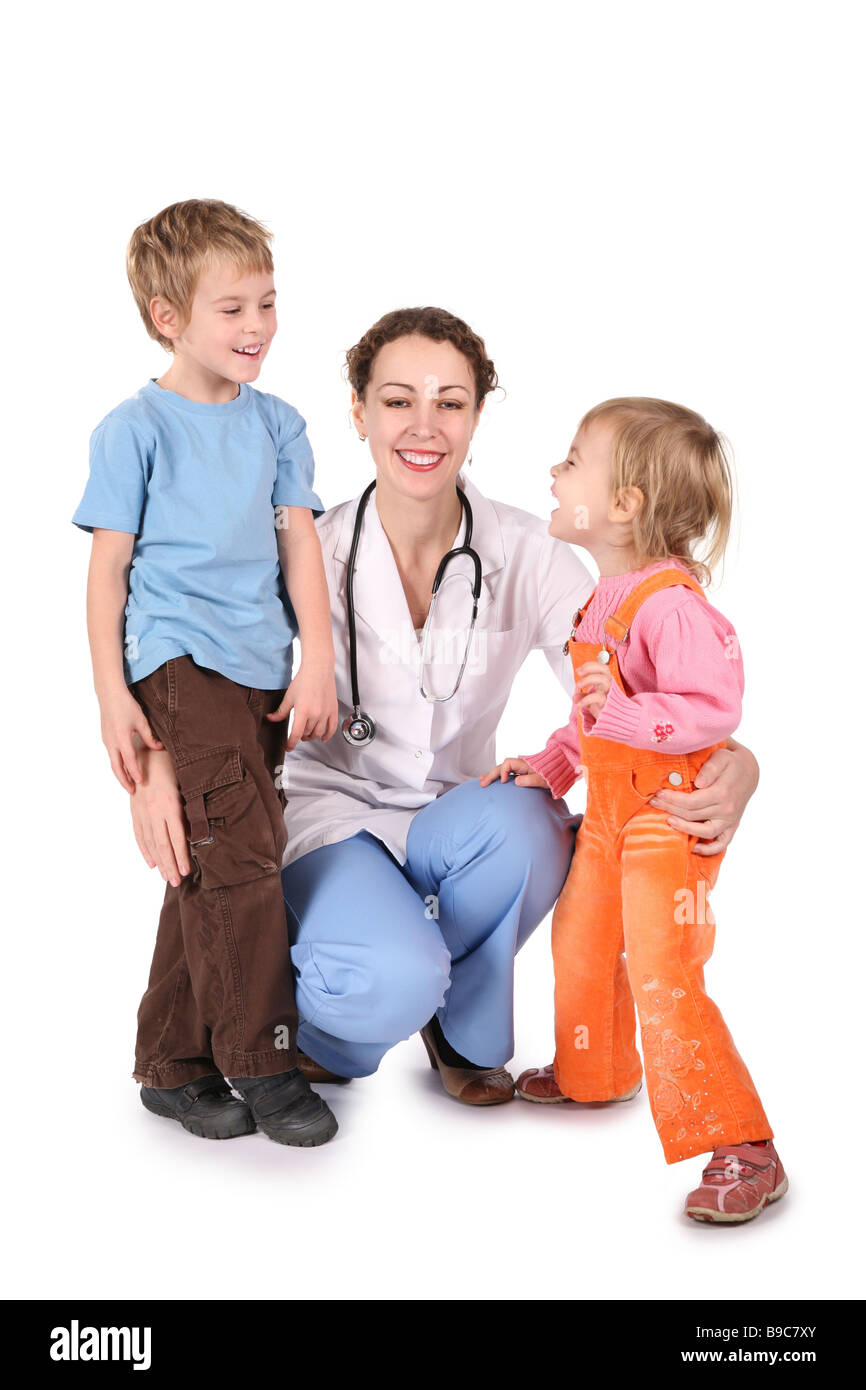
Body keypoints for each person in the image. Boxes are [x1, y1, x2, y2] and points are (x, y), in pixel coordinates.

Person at [129, 310, 762, 1110]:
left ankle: (459, 1023)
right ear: (358, 414)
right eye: (397, 401)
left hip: (459, 823)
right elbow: (189, 649)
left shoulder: (529, 551)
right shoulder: (308, 547)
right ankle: (341, 1025)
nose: (424, 426)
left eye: (451, 403)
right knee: (392, 976)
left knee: (534, 822)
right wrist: (153, 765)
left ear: (477, 416)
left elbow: (645, 684)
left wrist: (741, 763)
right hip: (335, 818)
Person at [73, 199, 339, 1147]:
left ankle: (170, 1064)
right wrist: (114, 697)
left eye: (267, 303)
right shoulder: (135, 427)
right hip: (180, 664)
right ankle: (262, 1060)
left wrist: (318, 658)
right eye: (232, 309)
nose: (257, 327)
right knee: (245, 865)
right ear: (167, 317)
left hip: (260, 667)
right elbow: (107, 573)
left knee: (211, 857)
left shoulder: (278, 424)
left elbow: (300, 544)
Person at [483, 398, 786, 1222]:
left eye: (573, 460)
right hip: (610, 815)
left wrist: (617, 718)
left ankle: (744, 1143)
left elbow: (711, 706)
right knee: (581, 944)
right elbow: (597, 712)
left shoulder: (672, 604)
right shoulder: (601, 600)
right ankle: (595, 1071)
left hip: (665, 818)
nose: (554, 472)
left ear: (624, 504)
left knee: (663, 972)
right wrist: (555, 759)